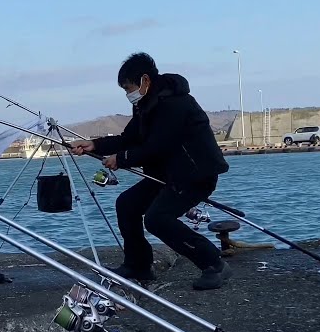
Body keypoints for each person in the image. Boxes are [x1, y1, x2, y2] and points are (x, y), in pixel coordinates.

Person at [70, 52, 233, 290]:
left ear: (145, 80)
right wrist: (94, 145)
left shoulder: (176, 104)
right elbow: (129, 138)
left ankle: (214, 264)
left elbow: (158, 146)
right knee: (126, 204)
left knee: (158, 219)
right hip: (166, 174)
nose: (128, 94)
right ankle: (138, 265)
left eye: (129, 88)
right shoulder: (145, 105)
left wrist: (121, 159)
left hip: (195, 175)